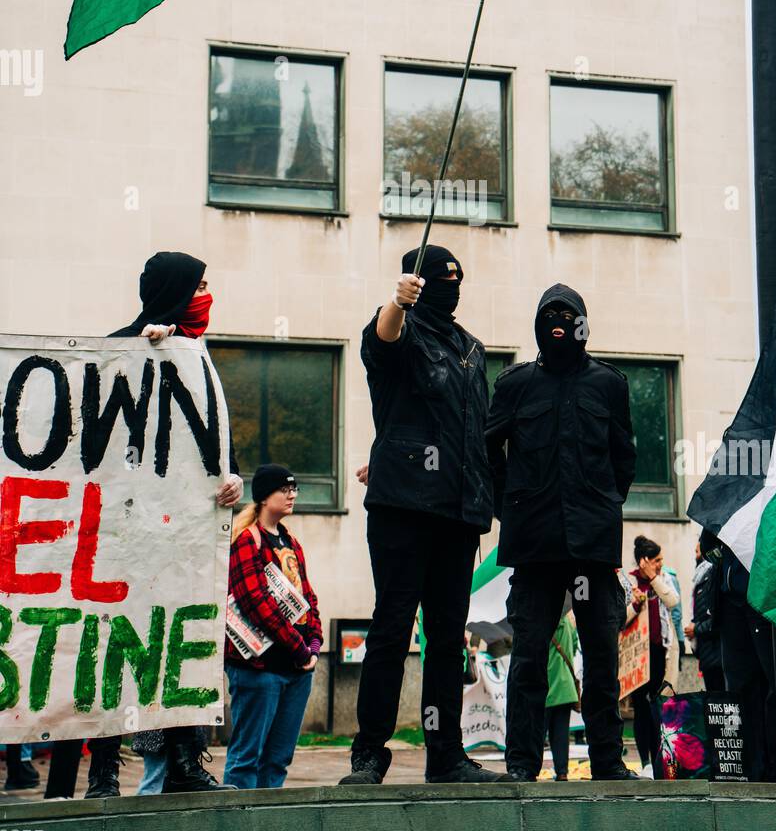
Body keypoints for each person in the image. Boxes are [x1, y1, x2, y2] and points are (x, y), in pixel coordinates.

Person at [82, 251, 242, 799]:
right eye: (198, 284)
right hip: (122, 536)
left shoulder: (199, 358)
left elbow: (213, 438)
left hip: (182, 537)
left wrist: (233, 479)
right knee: (111, 649)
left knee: (180, 641)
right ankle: (103, 771)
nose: (206, 293)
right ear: (174, 290)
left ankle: (185, 759)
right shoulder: (120, 347)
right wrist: (137, 353)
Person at [339, 245, 499, 786]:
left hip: (458, 516)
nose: (451, 283)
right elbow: (381, 343)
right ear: (416, 283)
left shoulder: (472, 349)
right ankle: (369, 752)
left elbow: (476, 434)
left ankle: (445, 754)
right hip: (403, 511)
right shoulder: (402, 332)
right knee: (391, 628)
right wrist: (396, 303)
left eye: (458, 275)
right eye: (439, 277)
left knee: (448, 639)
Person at [486, 285, 637, 782]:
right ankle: (521, 767)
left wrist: (603, 502)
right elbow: (489, 454)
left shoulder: (609, 384)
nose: (557, 321)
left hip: (592, 551)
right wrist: (513, 507)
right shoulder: (515, 385)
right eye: (548, 314)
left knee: (600, 658)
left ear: (583, 324)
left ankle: (608, 764)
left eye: (567, 314)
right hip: (535, 551)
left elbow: (624, 458)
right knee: (528, 659)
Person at [223, 465, 322, 789]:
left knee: (278, 759)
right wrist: (298, 646)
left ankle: (267, 830)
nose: (292, 494)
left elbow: (307, 596)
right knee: (246, 759)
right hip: (258, 668)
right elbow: (255, 602)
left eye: (295, 488)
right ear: (265, 496)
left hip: (297, 670)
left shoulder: (291, 541)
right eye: (285, 489)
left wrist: (315, 643)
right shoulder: (246, 540)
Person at [716, 540, 776, 782]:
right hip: (735, 595)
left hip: (758, 592)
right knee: (745, 689)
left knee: (767, 685)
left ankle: (772, 766)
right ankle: (755, 766)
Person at [626, 536, 680, 777]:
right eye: (656, 560)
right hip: (637, 655)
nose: (660, 564)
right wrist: (635, 605)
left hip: (661, 651)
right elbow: (620, 618)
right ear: (644, 560)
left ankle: (661, 759)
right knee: (641, 706)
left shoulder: (662, 578)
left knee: (658, 705)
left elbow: (672, 600)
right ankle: (646, 761)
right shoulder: (628, 580)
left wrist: (655, 578)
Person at [685, 532, 725, 696]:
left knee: (720, 699)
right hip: (708, 654)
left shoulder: (711, 576)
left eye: (697, 552)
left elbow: (717, 617)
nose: (695, 557)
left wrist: (697, 629)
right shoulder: (701, 579)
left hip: (717, 655)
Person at [546, 609, 579, 780]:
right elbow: (573, 646)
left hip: (549, 683)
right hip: (566, 686)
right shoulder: (568, 622)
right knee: (560, 734)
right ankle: (562, 772)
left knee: (539, 731)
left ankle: (532, 769)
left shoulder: (546, 620)